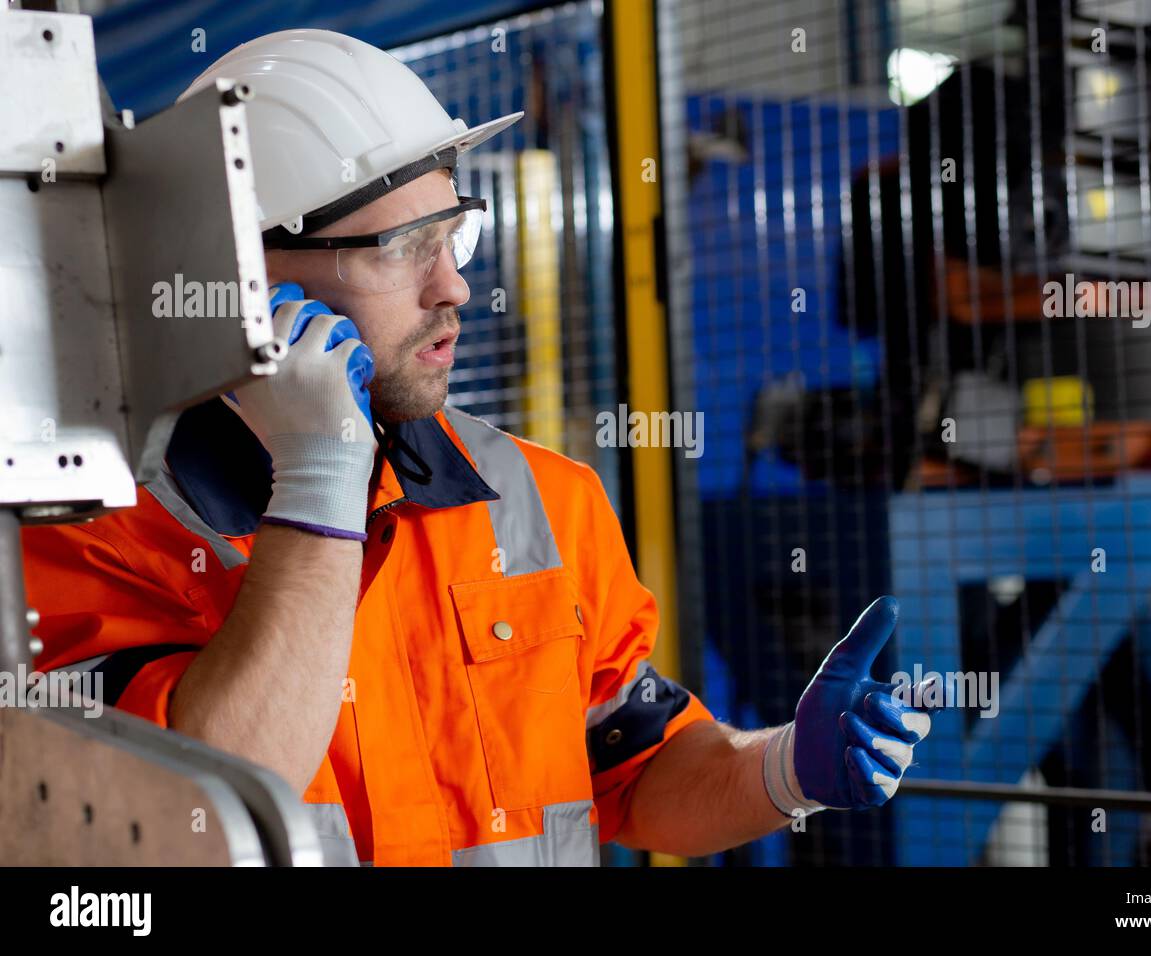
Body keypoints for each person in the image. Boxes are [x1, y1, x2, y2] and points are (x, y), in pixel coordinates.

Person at [21, 29, 933, 866]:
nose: (453, 284)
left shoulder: (538, 500)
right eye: (400, 248)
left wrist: (782, 772)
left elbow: (636, 775)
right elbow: (184, 817)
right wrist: (322, 473)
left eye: (455, 232)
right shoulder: (90, 531)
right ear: (246, 281)